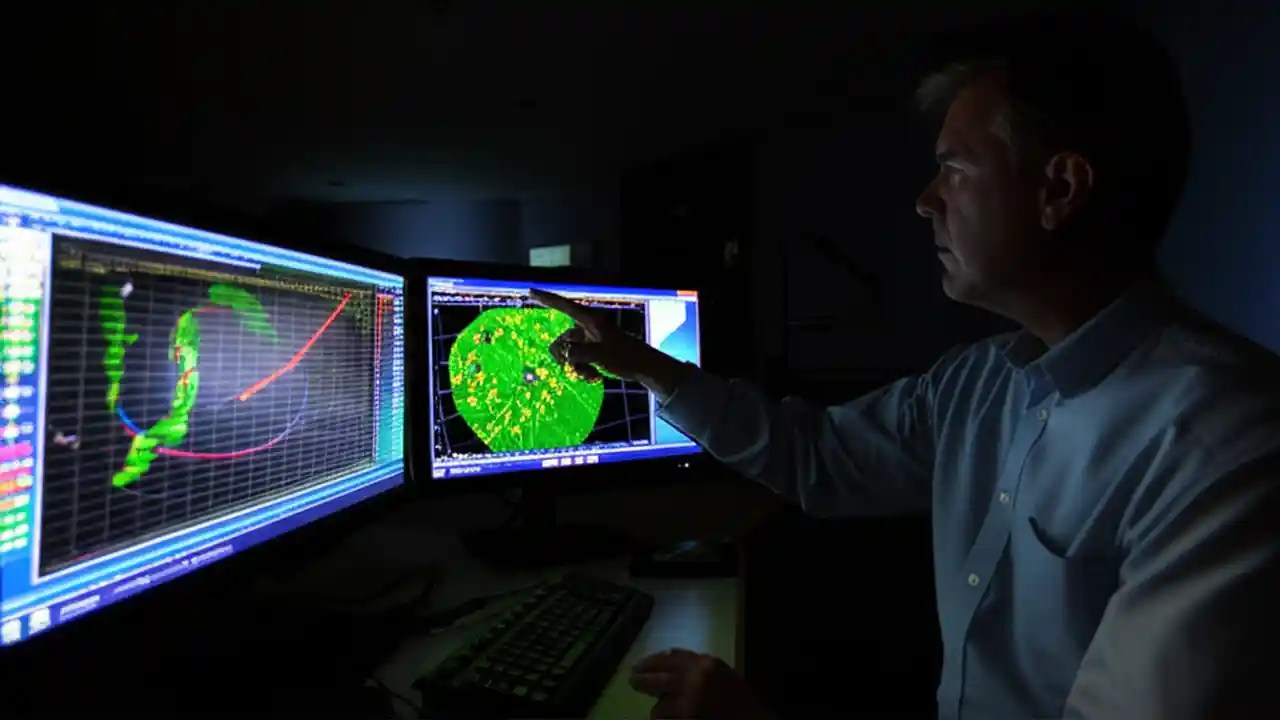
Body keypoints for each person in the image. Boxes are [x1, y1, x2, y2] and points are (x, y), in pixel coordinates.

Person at [534, 14, 1280, 720]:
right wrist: (648, 368)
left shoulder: (1225, 444)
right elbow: (816, 458)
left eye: (953, 170)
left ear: (1058, 189)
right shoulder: (977, 382)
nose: (925, 202)